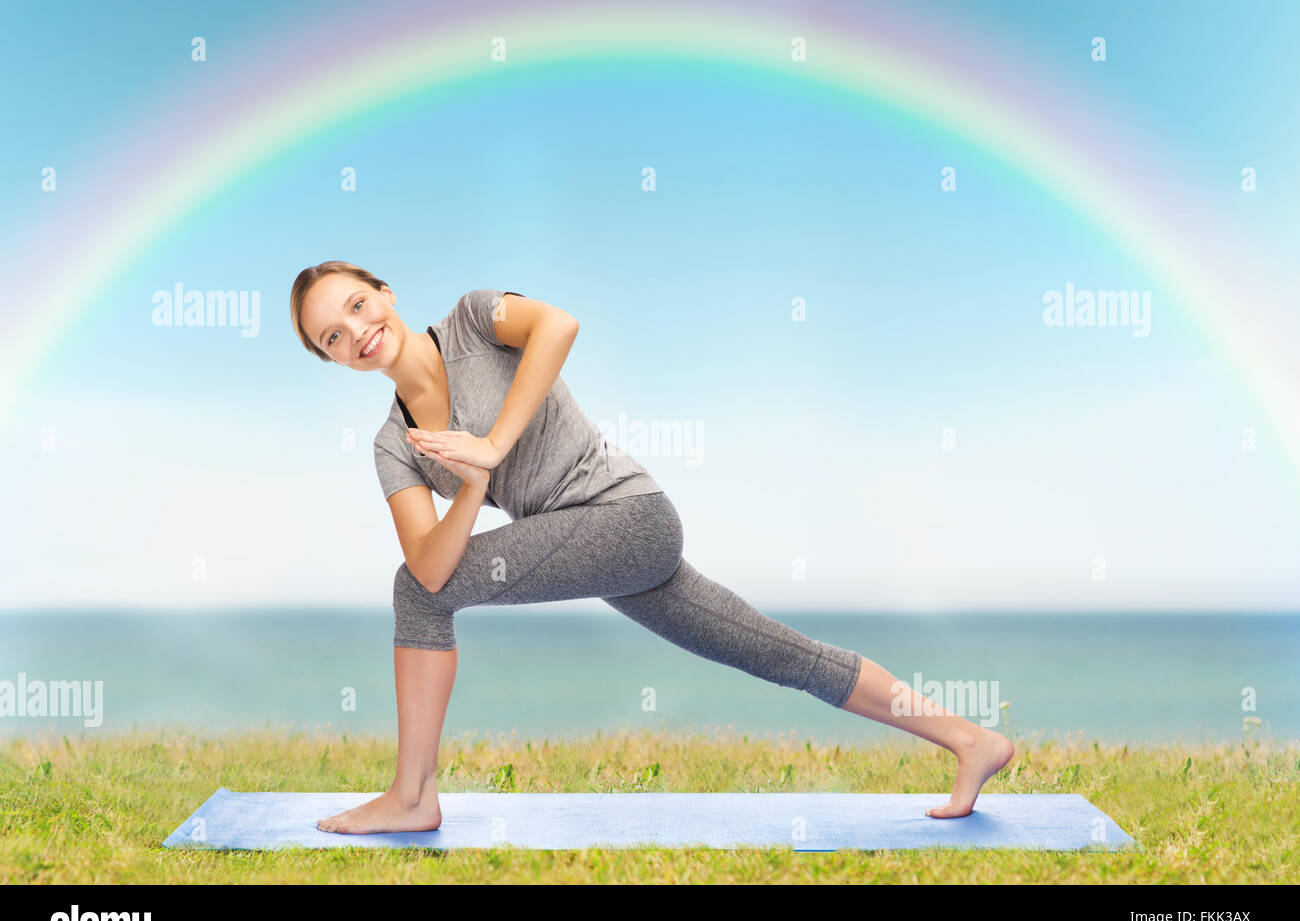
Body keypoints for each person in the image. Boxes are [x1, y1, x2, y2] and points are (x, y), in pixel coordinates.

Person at [288, 260, 1014, 834]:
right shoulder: (395, 447)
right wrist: (474, 484)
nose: (354, 331)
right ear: (334, 362)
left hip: (629, 518)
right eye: (332, 337)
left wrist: (492, 444)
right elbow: (433, 561)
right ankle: (970, 739)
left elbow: (560, 326)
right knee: (774, 651)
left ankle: (413, 794)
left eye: (356, 305)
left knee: (414, 595)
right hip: (597, 548)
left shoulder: (476, 318)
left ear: (385, 292)